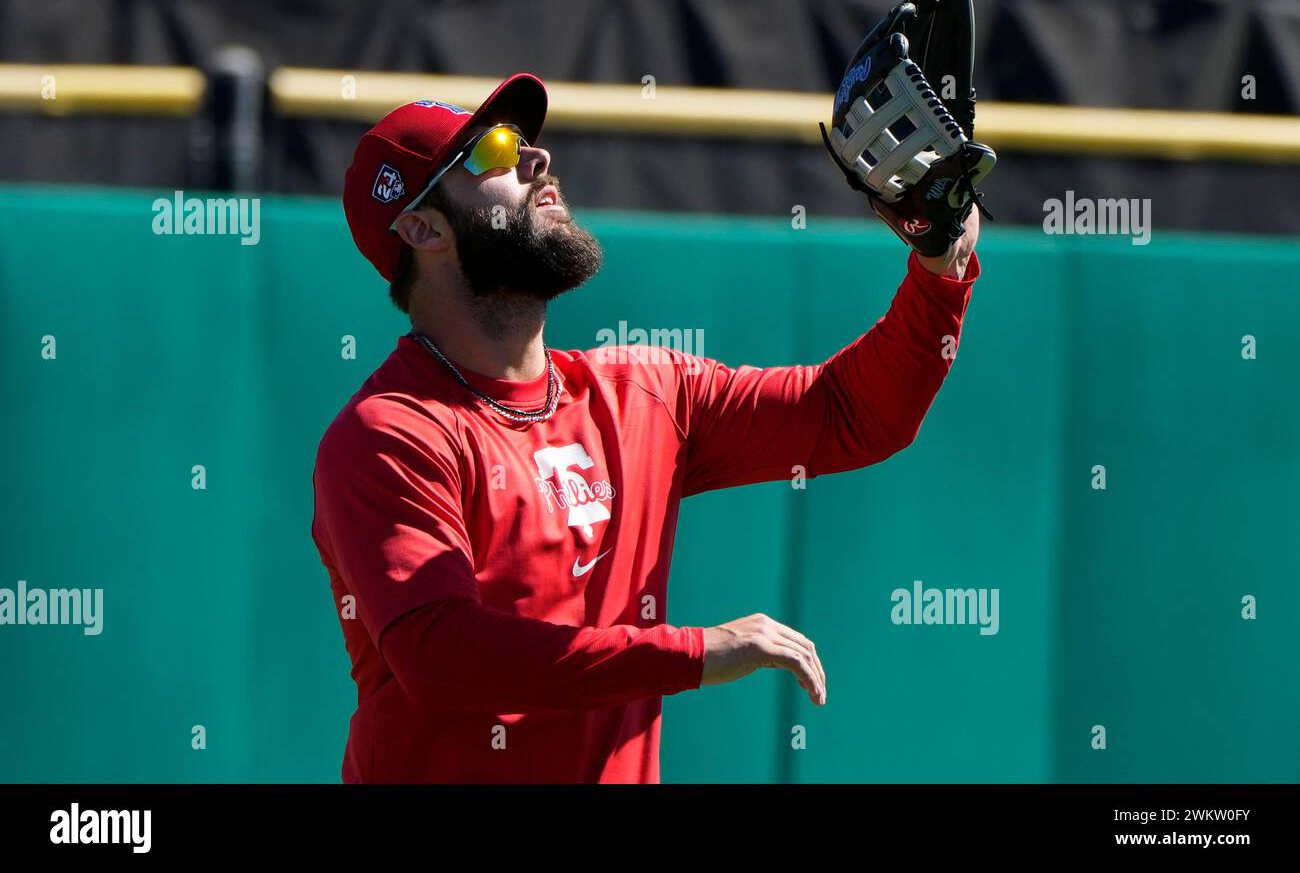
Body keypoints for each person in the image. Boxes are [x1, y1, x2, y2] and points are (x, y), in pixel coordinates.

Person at [311, 72, 981, 782]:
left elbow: (852, 415)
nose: (535, 160)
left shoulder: (644, 392)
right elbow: (442, 656)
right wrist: (693, 652)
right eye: (494, 150)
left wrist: (940, 265)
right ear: (422, 226)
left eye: (528, 142)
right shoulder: (390, 433)